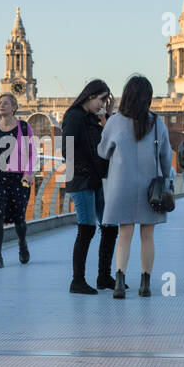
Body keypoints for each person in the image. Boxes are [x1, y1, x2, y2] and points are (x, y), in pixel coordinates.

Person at [98, 75, 174, 297]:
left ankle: (120, 282)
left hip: (122, 186)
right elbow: (166, 158)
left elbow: (103, 151)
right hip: (151, 189)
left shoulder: (115, 122)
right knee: (147, 237)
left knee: (124, 235)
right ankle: (145, 283)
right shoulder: (157, 123)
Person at [60, 79, 118, 294]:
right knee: (87, 229)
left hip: (97, 180)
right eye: (102, 99)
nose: (103, 103)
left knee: (110, 227)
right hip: (82, 180)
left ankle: (104, 276)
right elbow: (67, 150)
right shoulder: (74, 117)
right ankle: (77, 281)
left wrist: (109, 115)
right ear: (90, 96)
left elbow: (107, 141)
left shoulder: (94, 119)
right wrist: (86, 170)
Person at [0, 92, 37, 268]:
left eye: (5, 103)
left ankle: (22, 243)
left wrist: (28, 173)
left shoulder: (25, 128)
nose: (1, 106)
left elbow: (33, 153)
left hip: (20, 178)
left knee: (19, 218)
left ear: (14, 107)